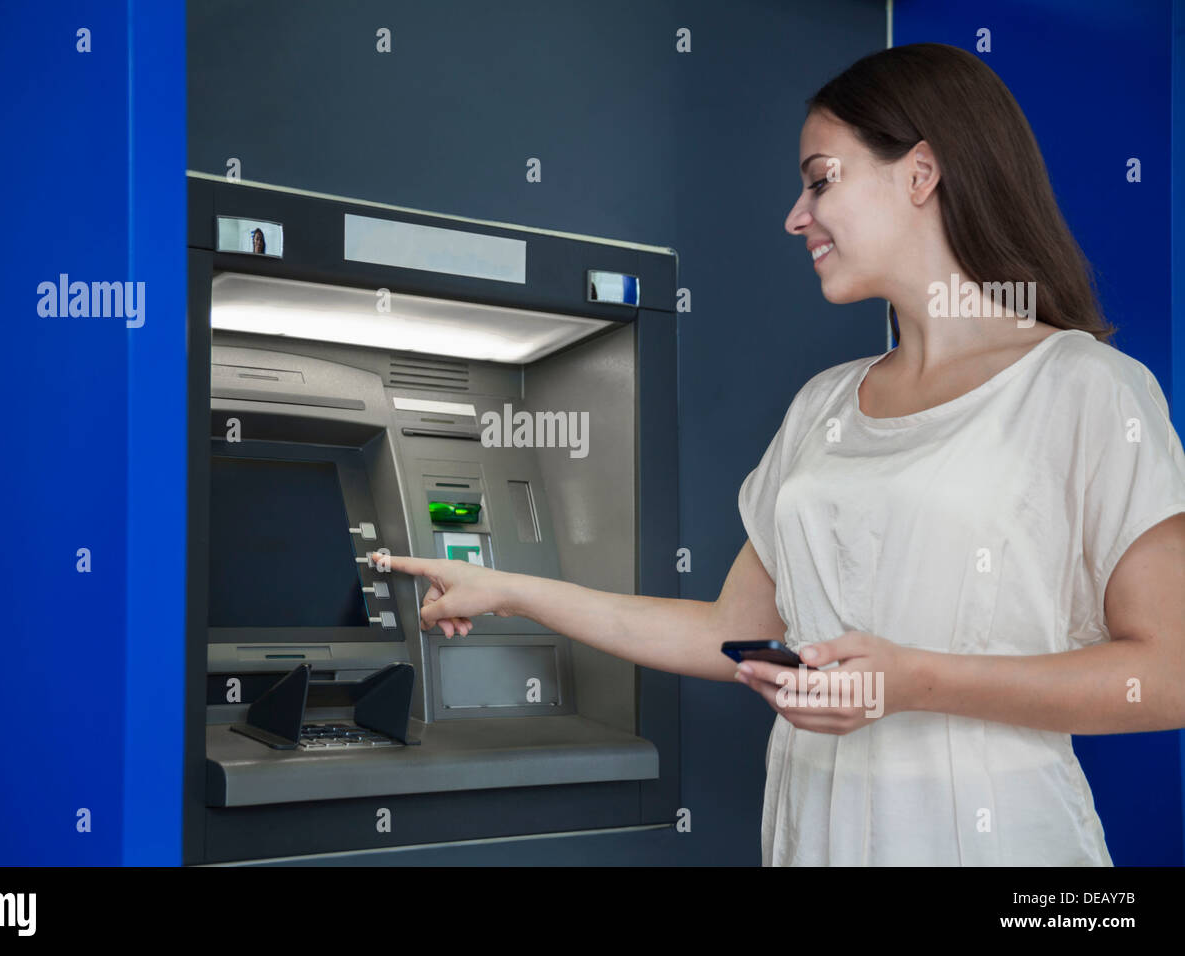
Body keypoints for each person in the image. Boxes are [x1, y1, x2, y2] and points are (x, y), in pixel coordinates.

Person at [381, 43, 1185, 866]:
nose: (796, 216)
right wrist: (510, 589)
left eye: (821, 179)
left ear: (920, 174)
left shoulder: (1086, 388)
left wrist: (911, 682)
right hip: (814, 835)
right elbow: (729, 631)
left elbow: (1168, 675)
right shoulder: (824, 405)